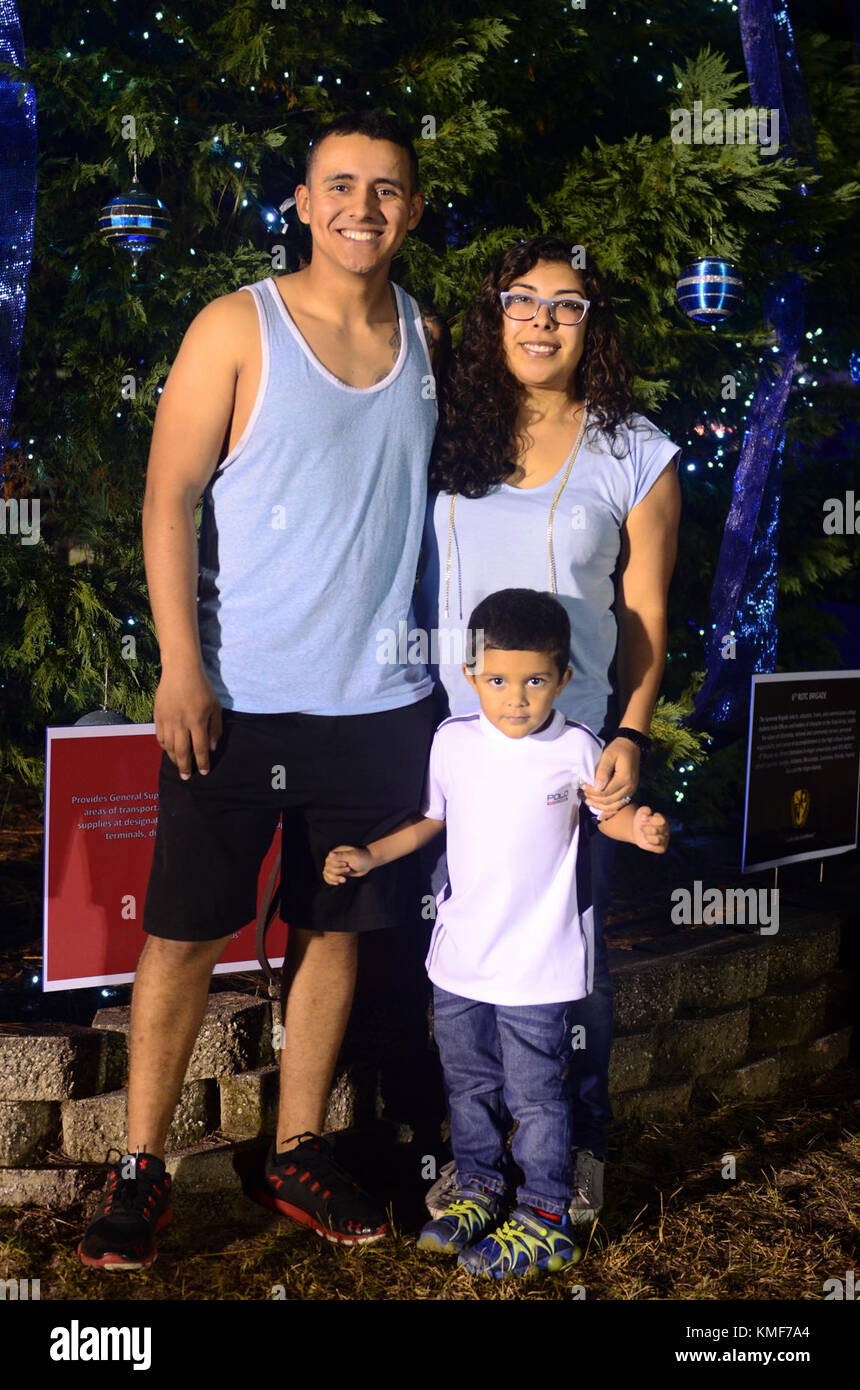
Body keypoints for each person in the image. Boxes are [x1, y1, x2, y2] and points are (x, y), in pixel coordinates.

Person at [78, 111, 449, 1270]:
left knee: (331, 926)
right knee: (186, 932)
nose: (362, 208)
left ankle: (297, 1148)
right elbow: (165, 497)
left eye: (386, 190)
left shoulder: (429, 340)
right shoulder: (237, 325)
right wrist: (181, 665)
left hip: (383, 702)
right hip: (237, 699)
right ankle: (141, 1165)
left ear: (412, 210)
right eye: (339, 185)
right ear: (300, 201)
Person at [415, 234, 681, 1226]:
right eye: (519, 300)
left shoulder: (634, 454)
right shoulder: (446, 433)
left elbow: (648, 616)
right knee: (464, 956)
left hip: (566, 755)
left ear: (590, 325)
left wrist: (632, 735)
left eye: (565, 304)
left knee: (564, 965)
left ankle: (574, 1155)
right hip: (460, 737)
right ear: (492, 318)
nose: (540, 320)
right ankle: (476, 1165)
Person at [323, 589, 670, 1279]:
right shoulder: (453, 740)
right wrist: (370, 855)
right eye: (500, 681)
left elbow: (608, 816)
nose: (517, 699)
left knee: (537, 1092)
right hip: (461, 960)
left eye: (535, 681)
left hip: (537, 966)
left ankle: (545, 1215)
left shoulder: (575, 746)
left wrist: (643, 828)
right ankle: (479, 1186)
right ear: (473, 674)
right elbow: (432, 821)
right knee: (469, 1082)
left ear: (563, 679)